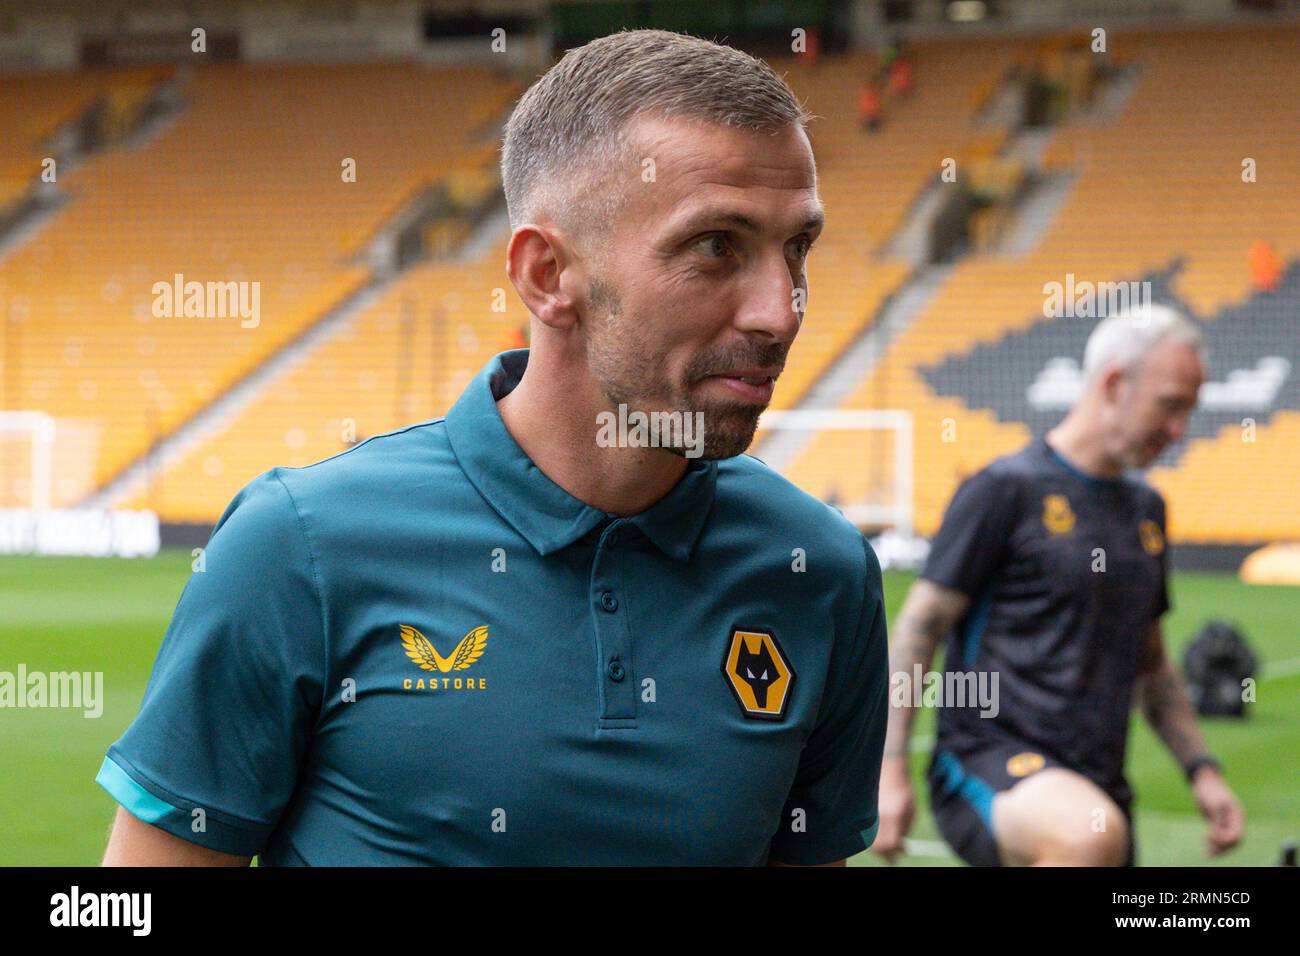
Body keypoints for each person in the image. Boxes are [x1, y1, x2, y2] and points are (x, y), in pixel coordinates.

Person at [97, 29, 889, 867]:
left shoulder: (818, 570)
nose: (781, 310)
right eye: (716, 247)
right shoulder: (298, 547)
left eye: (798, 247)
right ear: (547, 276)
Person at [874, 305, 1245, 866]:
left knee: (1098, 837)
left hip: (1098, 784)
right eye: (1170, 406)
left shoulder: (1147, 511)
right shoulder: (1003, 490)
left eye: (1188, 411)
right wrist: (889, 770)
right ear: (1115, 384)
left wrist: (1203, 771)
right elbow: (918, 631)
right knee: (1086, 839)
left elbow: (1153, 665)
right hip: (987, 761)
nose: (1179, 431)